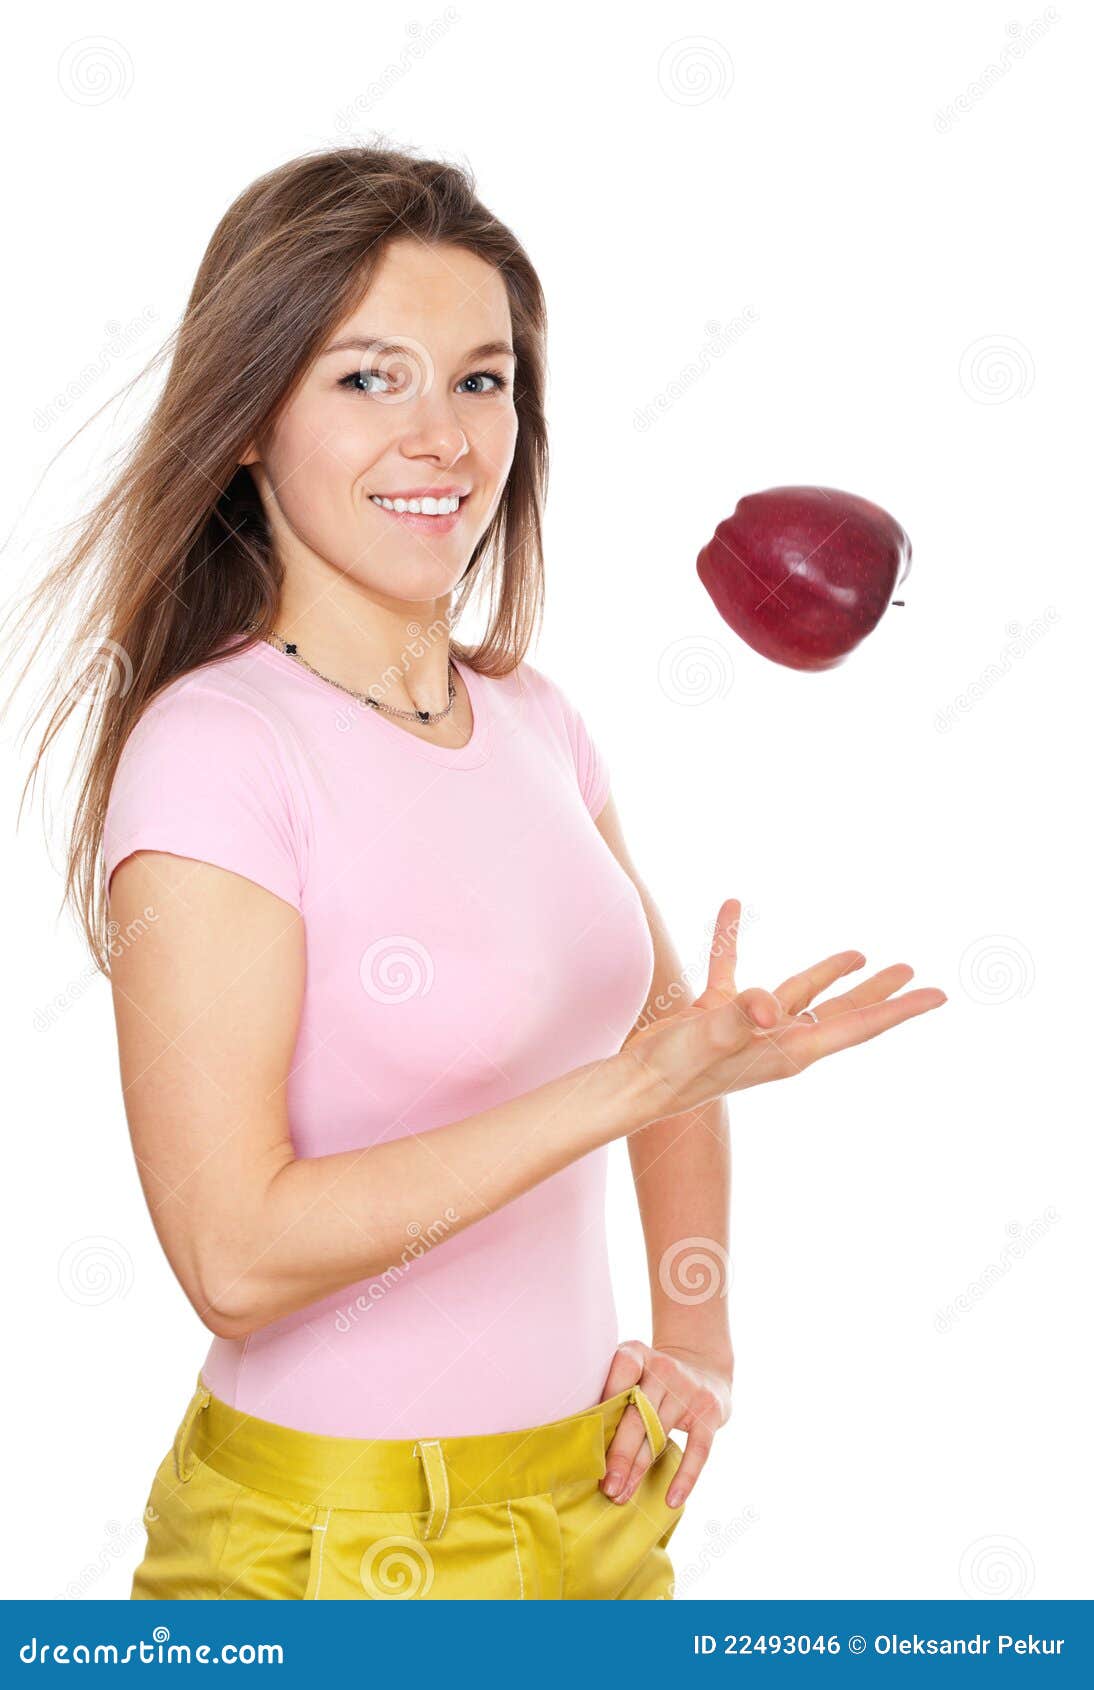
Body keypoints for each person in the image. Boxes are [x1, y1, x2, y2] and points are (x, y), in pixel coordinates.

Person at [8, 144, 946, 1601]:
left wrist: (698, 1340)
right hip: (327, 1547)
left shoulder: (531, 718)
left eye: (481, 380)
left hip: (589, 1508)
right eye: (367, 378)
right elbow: (232, 1256)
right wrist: (630, 1088)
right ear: (248, 419)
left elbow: (667, 1044)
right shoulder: (218, 750)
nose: (440, 438)